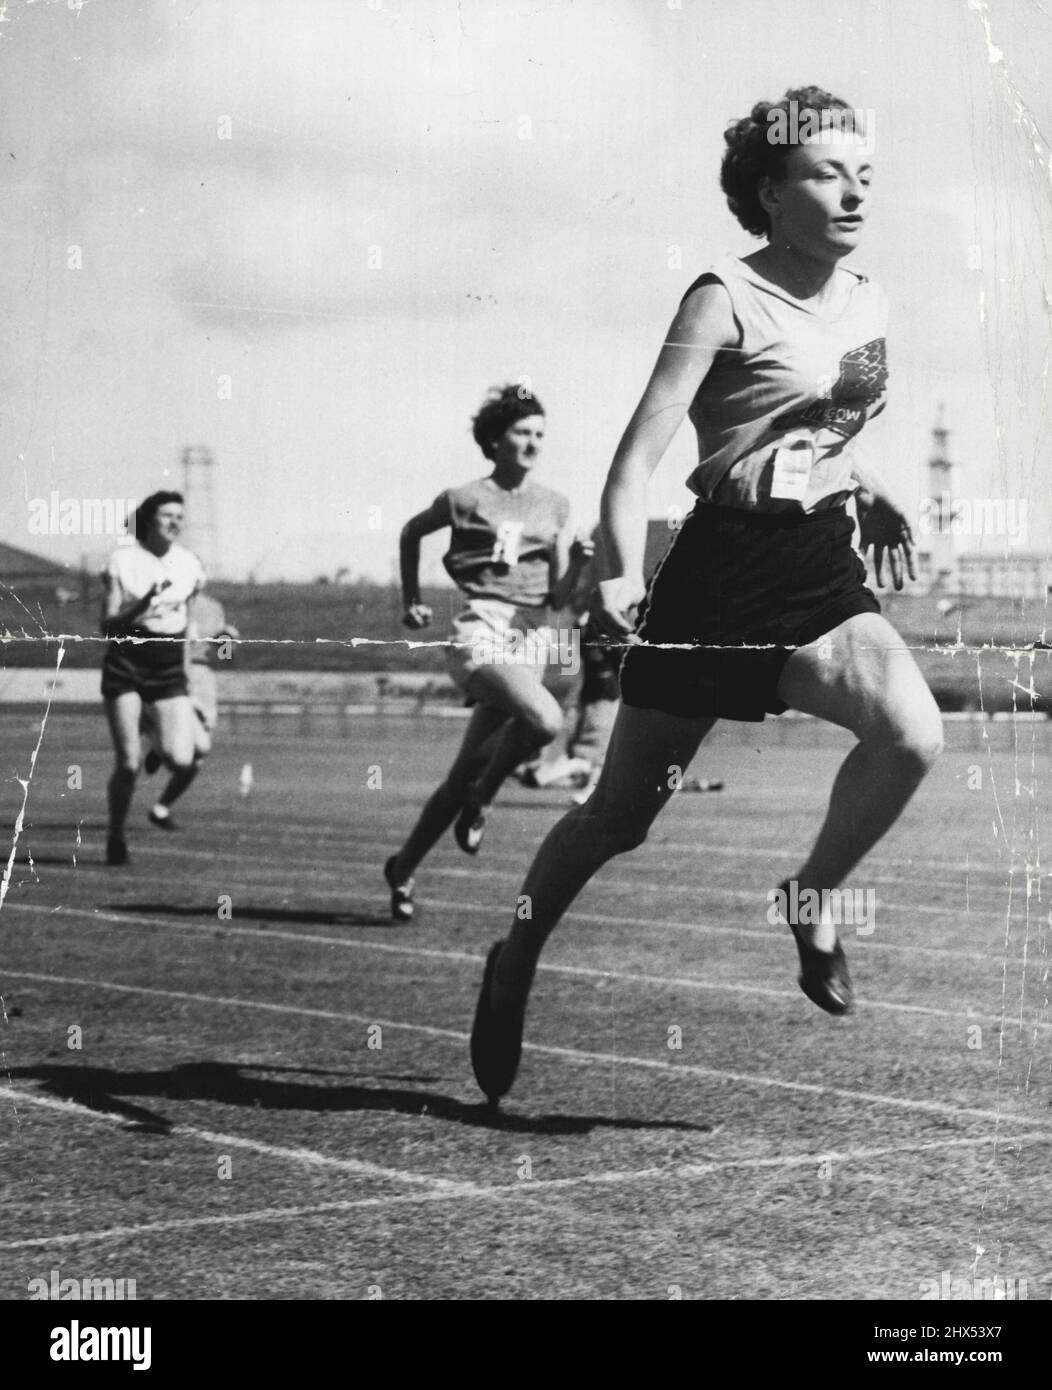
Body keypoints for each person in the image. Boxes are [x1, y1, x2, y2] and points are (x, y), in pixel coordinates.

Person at [470, 87, 944, 1104]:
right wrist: (615, 574)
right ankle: (512, 957)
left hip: (818, 559)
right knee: (617, 819)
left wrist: (878, 491)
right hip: (716, 572)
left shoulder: (869, 300)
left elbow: (823, 426)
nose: (854, 187)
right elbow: (637, 453)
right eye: (827, 171)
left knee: (909, 734)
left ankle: (810, 895)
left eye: (865, 171)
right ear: (770, 193)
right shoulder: (720, 295)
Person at [384, 385, 593, 922]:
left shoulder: (555, 503)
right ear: (495, 440)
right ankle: (484, 799)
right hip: (481, 627)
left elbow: (556, 597)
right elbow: (411, 533)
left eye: (540, 435)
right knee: (546, 721)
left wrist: (579, 564)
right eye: (522, 433)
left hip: (534, 634)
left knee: (462, 774)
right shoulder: (465, 498)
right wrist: (411, 601)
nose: (533, 443)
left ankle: (403, 867)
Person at [99, 491, 205, 865]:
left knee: (181, 758)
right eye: (166, 516)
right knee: (128, 762)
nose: (175, 522)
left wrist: (188, 679)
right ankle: (115, 836)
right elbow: (107, 625)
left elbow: (189, 625)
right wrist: (143, 602)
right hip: (127, 662)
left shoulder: (189, 563)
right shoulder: (122, 561)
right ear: (148, 521)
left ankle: (153, 730)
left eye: (180, 516)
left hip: (168, 666)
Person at [141, 591, 239, 826]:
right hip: (171, 675)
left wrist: (228, 642)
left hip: (202, 676)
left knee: (199, 755)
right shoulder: (165, 603)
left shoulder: (214, 607)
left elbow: (224, 654)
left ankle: (161, 808)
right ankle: (159, 745)